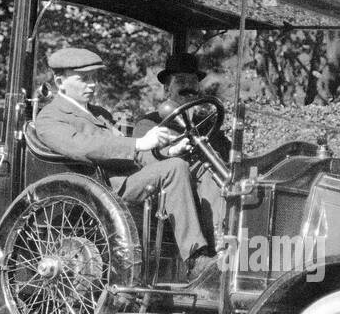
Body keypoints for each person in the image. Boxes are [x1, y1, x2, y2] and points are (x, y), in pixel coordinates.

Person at [32, 47, 214, 276]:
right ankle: (195, 260)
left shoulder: (100, 114)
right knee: (176, 168)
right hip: (103, 190)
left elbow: (134, 154)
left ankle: (212, 250)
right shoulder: (50, 117)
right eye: (84, 79)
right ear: (60, 82)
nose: (92, 85)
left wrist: (168, 152)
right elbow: (83, 147)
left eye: (94, 79)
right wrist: (139, 143)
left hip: (124, 182)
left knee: (187, 166)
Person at [134, 52, 231, 161]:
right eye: (181, 81)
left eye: (193, 81)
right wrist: (173, 152)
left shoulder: (207, 124)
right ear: (167, 90)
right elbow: (143, 158)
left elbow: (230, 154)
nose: (188, 86)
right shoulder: (149, 123)